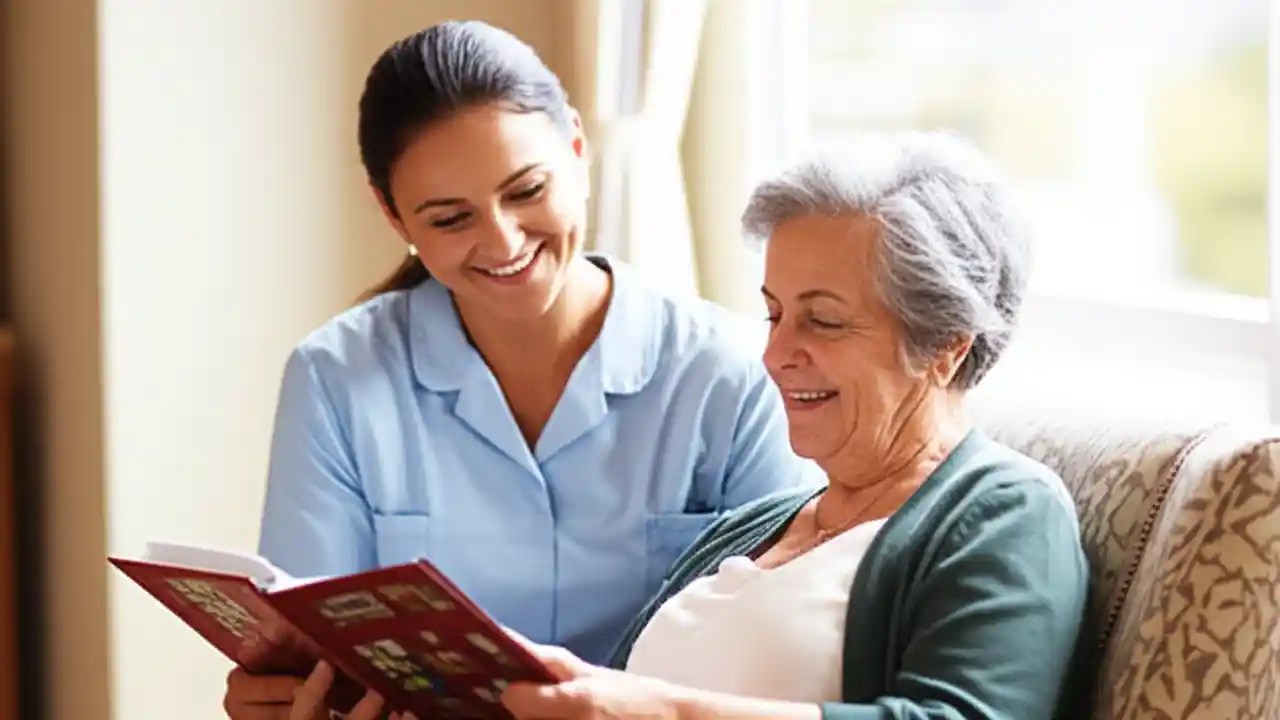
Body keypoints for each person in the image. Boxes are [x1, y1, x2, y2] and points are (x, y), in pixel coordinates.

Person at [285, 131, 1090, 719]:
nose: (776, 354)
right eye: (774, 314)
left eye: (824, 321)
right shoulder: (758, 528)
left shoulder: (1005, 513)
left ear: (945, 347)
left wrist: (658, 713)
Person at [222, 19, 814, 720]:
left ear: (575, 145)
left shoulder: (731, 377)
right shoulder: (337, 380)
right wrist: (282, 700)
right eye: (450, 219)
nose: (502, 240)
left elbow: (786, 662)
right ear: (394, 215)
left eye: (526, 190)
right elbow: (319, 644)